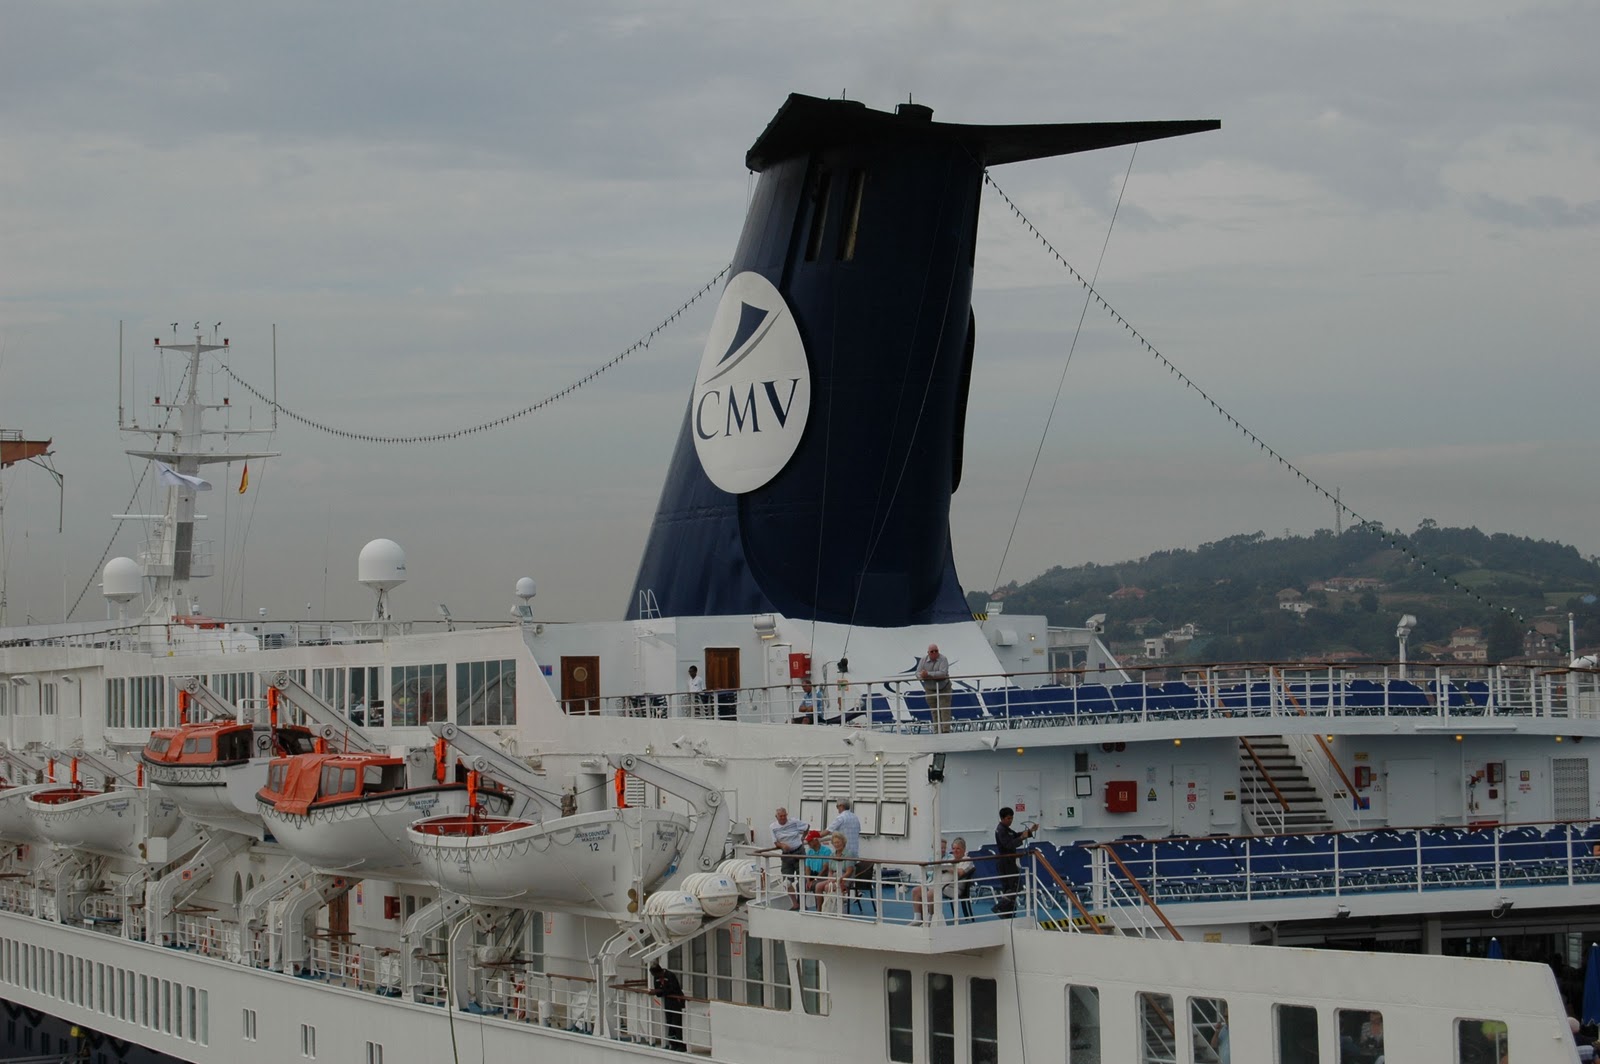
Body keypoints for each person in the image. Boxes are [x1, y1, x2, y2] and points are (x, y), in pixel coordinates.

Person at [910, 836, 975, 925]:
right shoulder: (951, 859)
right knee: (916, 891)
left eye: (958, 849)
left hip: (952, 888)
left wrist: (946, 868)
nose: (955, 851)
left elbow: (960, 872)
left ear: (964, 849)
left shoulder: (967, 860)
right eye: (954, 848)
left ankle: (931, 919)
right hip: (939, 885)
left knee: (930, 894)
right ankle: (918, 918)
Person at [993, 806, 1036, 915]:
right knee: (1014, 886)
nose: (1010, 821)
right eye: (1008, 818)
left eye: (1012, 818)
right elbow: (1008, 844)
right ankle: (1000, 907)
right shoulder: (1001, 830)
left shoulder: (1007, 829)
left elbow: (1015, 835)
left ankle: (1008, 911)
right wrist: (1022, 838)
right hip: (1005, 862)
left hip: (1010, 861)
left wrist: (1029, 832)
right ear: (1002, 818)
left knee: (1012, 887)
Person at [768, 807, 809, 910]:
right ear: (776, 817)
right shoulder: (773, 827)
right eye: (780, 816)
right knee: (787, 880)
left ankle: (802, 903)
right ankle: (795, 903)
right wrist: (782, 846)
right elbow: (775, 842)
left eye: (784, 815)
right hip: (786, 855)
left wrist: (803, 837)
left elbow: (807, 826)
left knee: (802, 879)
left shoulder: (794, 822)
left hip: (798, 851)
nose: (783, 818)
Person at [649, 960, 686, 1052]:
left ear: (659, 972)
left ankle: (681, 1044)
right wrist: (659, 991)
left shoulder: (670, 975)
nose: (655, 977)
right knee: (669, 1022)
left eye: (655, 975)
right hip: (668, 1001)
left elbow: (673, 989)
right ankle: (673, 1043)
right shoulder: (656, 978)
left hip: (676, 1001)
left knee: (676, 1023)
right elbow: (659, 993)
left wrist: (658, 991)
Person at [918, 643, 953, 733]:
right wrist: (922, 676)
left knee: (944, 710)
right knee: (934, 710)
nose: (934, 653)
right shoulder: (923, 660)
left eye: (936, 651)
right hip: (930, 689)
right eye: (932, 651)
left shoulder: (943, 659)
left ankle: (946, 731)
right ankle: (937, 730)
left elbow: (942, 673)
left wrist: (928, 674)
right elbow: (917, 673)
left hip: (944, 687)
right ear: (928, 653)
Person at [802, 830, 830, 909]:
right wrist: (808, 880)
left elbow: (825, 868)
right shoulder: (810, 851)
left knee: (815, 885)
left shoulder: (826, 851)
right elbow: (807, 867)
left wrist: (814, 879)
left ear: (816, 840)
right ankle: (802, 906)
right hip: (812, 875)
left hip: (822, 875)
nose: (808, 843)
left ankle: (819, 908)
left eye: (810, 841)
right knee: (800, 884)